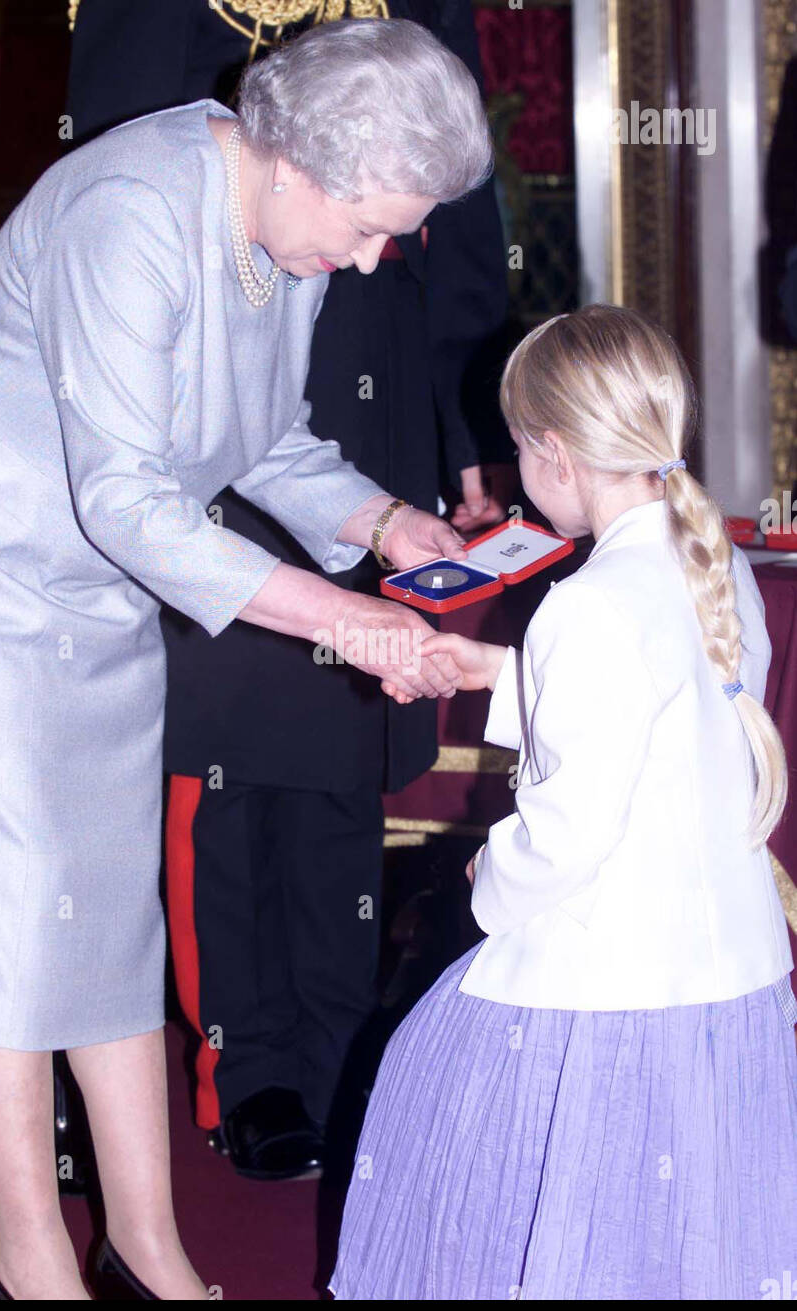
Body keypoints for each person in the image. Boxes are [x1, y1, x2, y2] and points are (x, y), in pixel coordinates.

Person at [0, 18, 496, 1300]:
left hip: (98, 592)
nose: (363, 264)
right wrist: (348, 619)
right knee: (10, 933)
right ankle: (35, 1283)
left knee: (110, 932)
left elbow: (258, 441)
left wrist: (385, 522)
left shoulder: (283, 230)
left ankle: (150, 1255)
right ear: (296, 159)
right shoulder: (134, 212)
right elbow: (131, 501)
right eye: (364, 225)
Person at [66, 0, 513, 1180]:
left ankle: (334, 1049)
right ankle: (248, 1063)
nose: (381, 243)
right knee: (221, 758)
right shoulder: (150, 198)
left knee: (344, 753)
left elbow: (449, 216)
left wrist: (437, 445)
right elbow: (120, 158)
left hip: (345, 373)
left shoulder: (353, 233)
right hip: (167, 379)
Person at [330, 303, 797, 1300]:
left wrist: (483, 875)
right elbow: (658, 712)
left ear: (552, 452)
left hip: (607, 975)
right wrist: (493, 669)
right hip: (727, 971)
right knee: (673, 1243)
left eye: (512, 449)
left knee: (439, 1105)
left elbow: (567, 830)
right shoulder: (715, 573)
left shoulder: (582, 604)